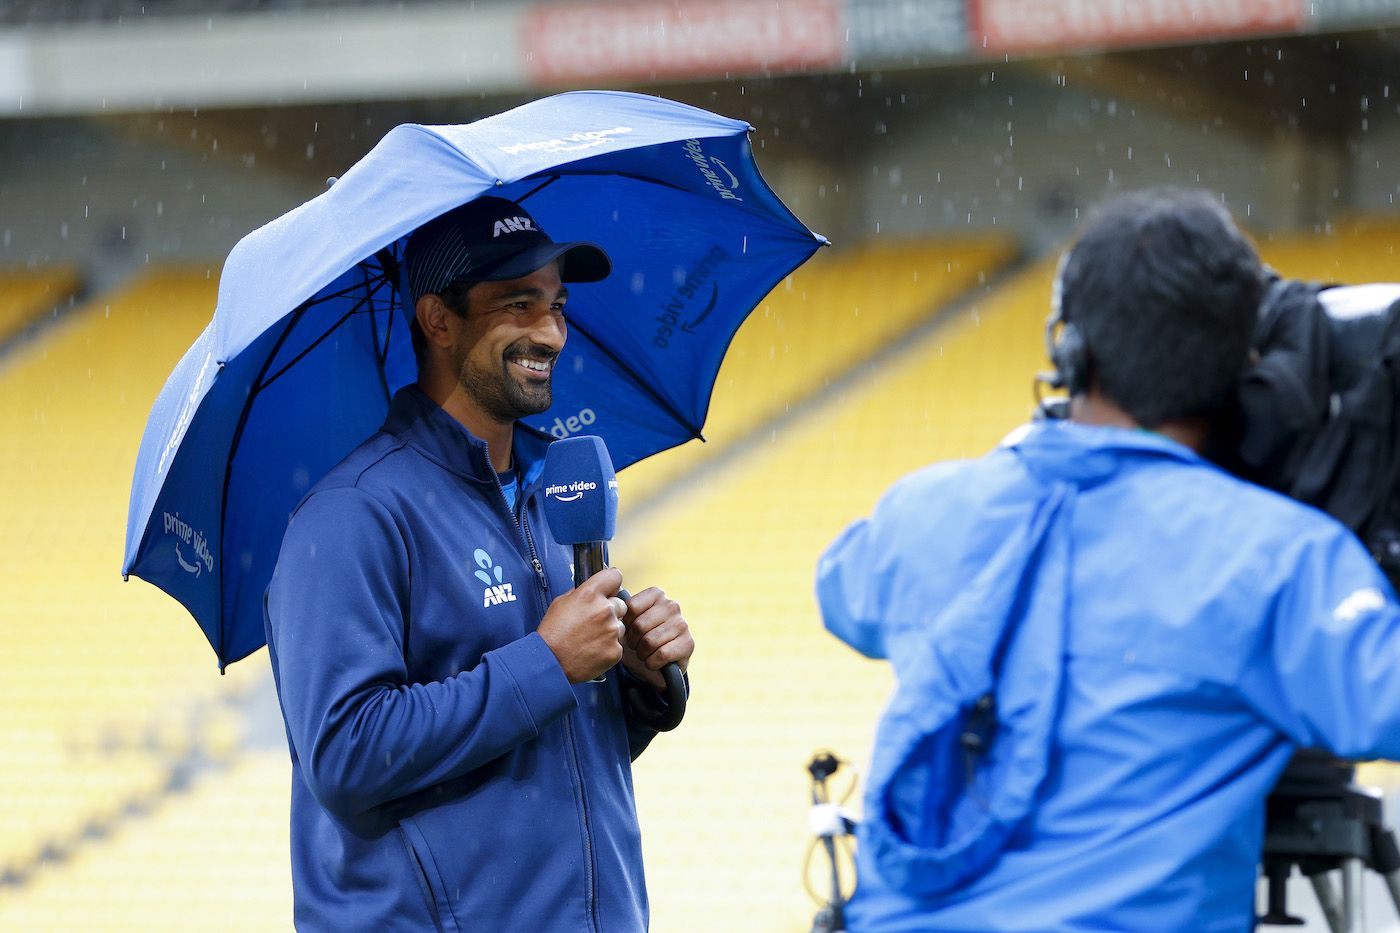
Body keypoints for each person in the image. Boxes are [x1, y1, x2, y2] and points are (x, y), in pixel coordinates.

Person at [815, 187, 1400, 932]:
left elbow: (842, 588)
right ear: (1243, 369)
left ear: (1071, 350)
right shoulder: (1280, 558)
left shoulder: (928, 511)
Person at [263, 195, 694, 932]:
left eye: (556, 304)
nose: (551, 331)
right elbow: (345, 754)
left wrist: (640, 682)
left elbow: (545, 749)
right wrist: (549, 662)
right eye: (518, 304)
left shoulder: (552, 491)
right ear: (438, 320)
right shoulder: (350, 515)